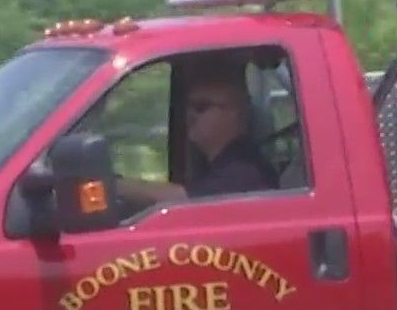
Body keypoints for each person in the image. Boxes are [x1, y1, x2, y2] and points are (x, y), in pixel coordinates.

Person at [115, 59, 278, 206]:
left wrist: (116, 186)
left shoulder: (243, 169)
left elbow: (187, 201)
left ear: (234, 112)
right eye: (189, 106)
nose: (190, 115)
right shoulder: (219, 163)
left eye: (201, 107)